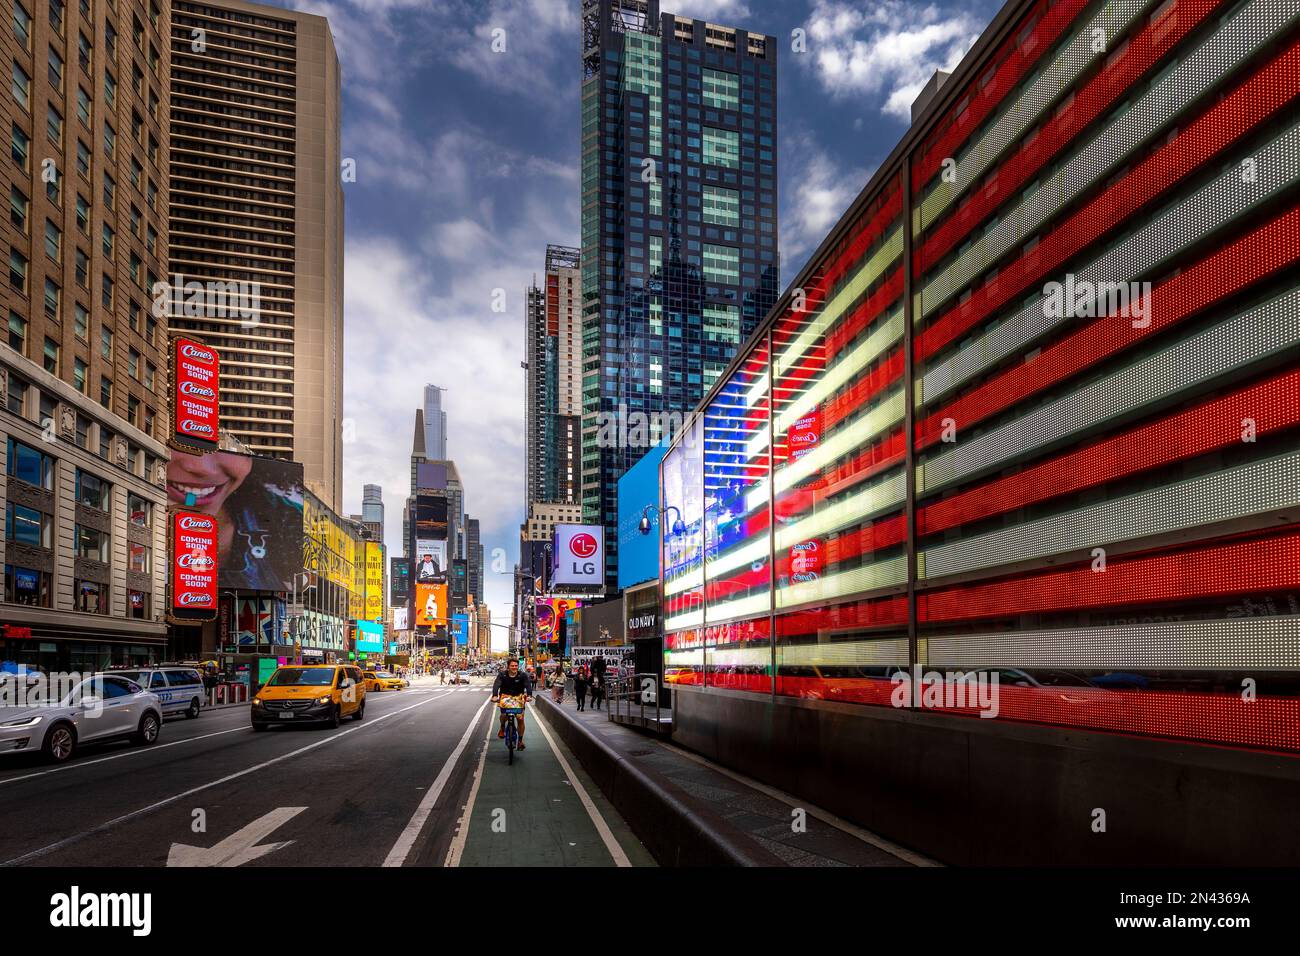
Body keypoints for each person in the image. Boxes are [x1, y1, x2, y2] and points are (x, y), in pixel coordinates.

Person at [490, 658, 535, 750]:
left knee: (520, 718)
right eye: (512, 666)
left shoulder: (523, 675)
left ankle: (520, 741)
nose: (514, 667)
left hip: (518, 698)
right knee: (503, 715)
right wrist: (494, 696)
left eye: (516, 666)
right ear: (508, 667)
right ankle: (502, 727)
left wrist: (529, 695)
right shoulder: (502, 675)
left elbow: (527, 685)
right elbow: (496, 685)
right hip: (505, 698)